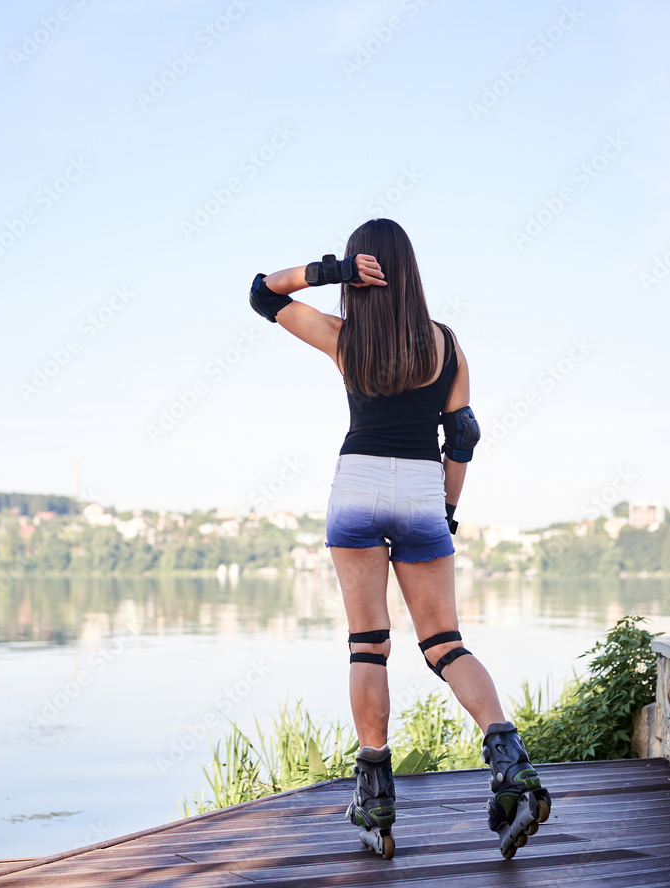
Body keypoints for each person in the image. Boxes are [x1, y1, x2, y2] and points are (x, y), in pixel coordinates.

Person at [249, 218, 550, 861]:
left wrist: (332, 271)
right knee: (444, 642)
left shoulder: (343, 338)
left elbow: (262, 293)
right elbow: (462, 438)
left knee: (369, 643)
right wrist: (445, 512)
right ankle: (512, 763)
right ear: (411, 270)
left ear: (365, 272)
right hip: (421, 489)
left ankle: (377, 800)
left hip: (355, 483)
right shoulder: (445, 345)